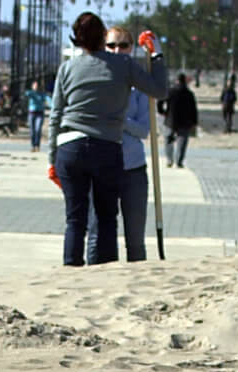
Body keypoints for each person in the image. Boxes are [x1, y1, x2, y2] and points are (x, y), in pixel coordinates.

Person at [47, 12, 168, 266]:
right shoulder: (122, 65)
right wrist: (157, 56)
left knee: (75, 220)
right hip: (105, 147)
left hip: (70, 147)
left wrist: (52, 160)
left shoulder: (67, 68)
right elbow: (159, 90)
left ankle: (70, 271)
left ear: (77, 39)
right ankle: (104, 274)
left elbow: (56, 115)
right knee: (105, 218)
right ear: (103, 36)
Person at [85, 26, 151, 263]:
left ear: (131, 49)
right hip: (102, 168)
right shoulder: (97, 80)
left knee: (135, 241)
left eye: (123, 45)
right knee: (98, 234)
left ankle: (136, 281)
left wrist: (120, 119)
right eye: (111, 45)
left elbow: (144, 130)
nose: (117, 50)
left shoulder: (139, 86)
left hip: (133, 169)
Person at [166, 72, 198, 167]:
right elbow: (193, 109)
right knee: (182, 141)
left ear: (177, 80)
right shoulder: (189, 94)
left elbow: (160, 102)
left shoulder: (170, 91)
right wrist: (194, 121)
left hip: (171, 120)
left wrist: (163, 112)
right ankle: (179, 161)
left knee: (169, 140)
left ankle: (169, 160)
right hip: (185, 121)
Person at [25, 79, 49, 151]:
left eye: (37, 86)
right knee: (32, 131)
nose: (36, 87)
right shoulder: (31, 93)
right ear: (32, 86)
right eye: (34, 86)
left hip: (39, 113)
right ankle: (33, 146)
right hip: (32, 113)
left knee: (38, 129)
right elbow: (27, 94)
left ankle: (37, 145)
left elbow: (48, 99)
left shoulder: (42, 94)